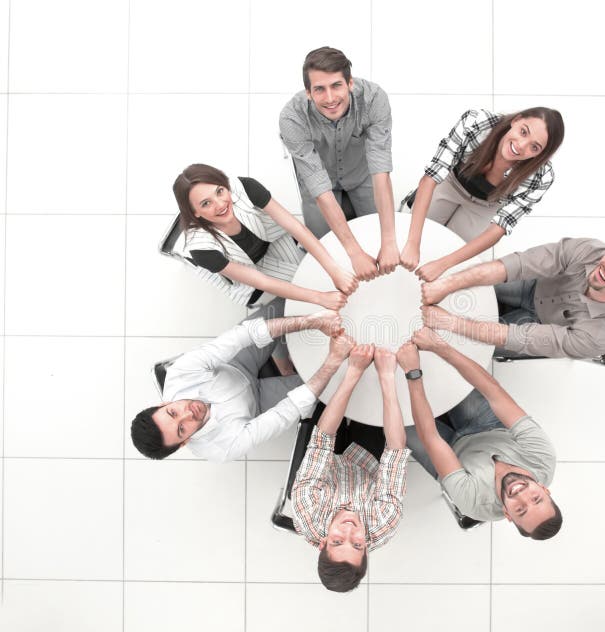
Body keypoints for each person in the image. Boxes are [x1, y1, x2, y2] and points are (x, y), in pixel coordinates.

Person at [130, 308, 353, 462]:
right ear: (184, 443)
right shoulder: (222, 449)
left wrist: (313, 321)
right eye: (181, 429)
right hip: (257, 403)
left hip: (236, 363)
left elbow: (242, 336)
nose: (188, 414)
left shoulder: (179, 373)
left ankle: (282, 360)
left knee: (285, 307)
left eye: (172, 412)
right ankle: (290, 365)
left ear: (165, 402)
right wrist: (333, 361)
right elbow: (287, 412)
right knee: (334, 378)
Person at [397, 330, 560, 540]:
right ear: (545, 490)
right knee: (444, 369)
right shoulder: (544, 457)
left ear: (508, 515)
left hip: (451, 455)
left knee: (395, 414)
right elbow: (493, 392)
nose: (521, 495)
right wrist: (439, 347)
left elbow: (431, 438)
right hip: (486, 427)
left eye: (520, 510)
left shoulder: (474, 504)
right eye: (536, 499)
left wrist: (413, 373)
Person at [420, 237, 605, 359]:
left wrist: (450, 323)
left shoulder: (603, 334)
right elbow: (517, 265)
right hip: (536, 286)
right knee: (462, 281)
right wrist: (446, 285)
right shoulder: (591, 251)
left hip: (544, 326)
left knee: (466, 346)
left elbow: (518, 337)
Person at [292, 345, 410, 592]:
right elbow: (395, 451)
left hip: (326, 459)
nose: (349, 529)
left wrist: (353, 371)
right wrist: (387, 377)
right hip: (364, 461)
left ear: (322, 542)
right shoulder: (384, 523)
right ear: (367, 548)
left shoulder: (307, 512)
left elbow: (322, 440)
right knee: (374, 392)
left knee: (338, 381)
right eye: (356, 544)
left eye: (337, 541)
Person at [398, 107, 565, 282]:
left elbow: (500, 227)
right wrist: (412, 243)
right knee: (415, 234)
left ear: (541, 154)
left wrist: (442, 264)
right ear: (516, 120)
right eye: (523, 132)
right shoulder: (477, 121)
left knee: (451, 251)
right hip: (452, 182)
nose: (521, 146)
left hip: (487, 204)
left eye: (534, 147)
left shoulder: (542, 176)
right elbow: (431, 177)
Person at [279, 46, 400, 280]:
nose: (331, 98)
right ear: (308, 92)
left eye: (336, 85)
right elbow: (320, 189)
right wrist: (354, 253)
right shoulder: (291, 118)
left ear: (350, 83)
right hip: (317, 183)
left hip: (363, 174)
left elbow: (380, 171)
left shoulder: (374, 99)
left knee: (378, 238)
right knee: (327, 249)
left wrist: (389, 241)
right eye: (320, 90)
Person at [173, 163, 358, 310]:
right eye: (206, 203)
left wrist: (334, 270)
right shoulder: (201, 249)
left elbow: (296, 228)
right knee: (311, 287)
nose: (220, 204)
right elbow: (262, 281)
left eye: (220, 191)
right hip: (248, 268)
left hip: (271, 239)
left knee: (322, 271)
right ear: (194, 212)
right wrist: (320, 297)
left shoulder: (245, 187)